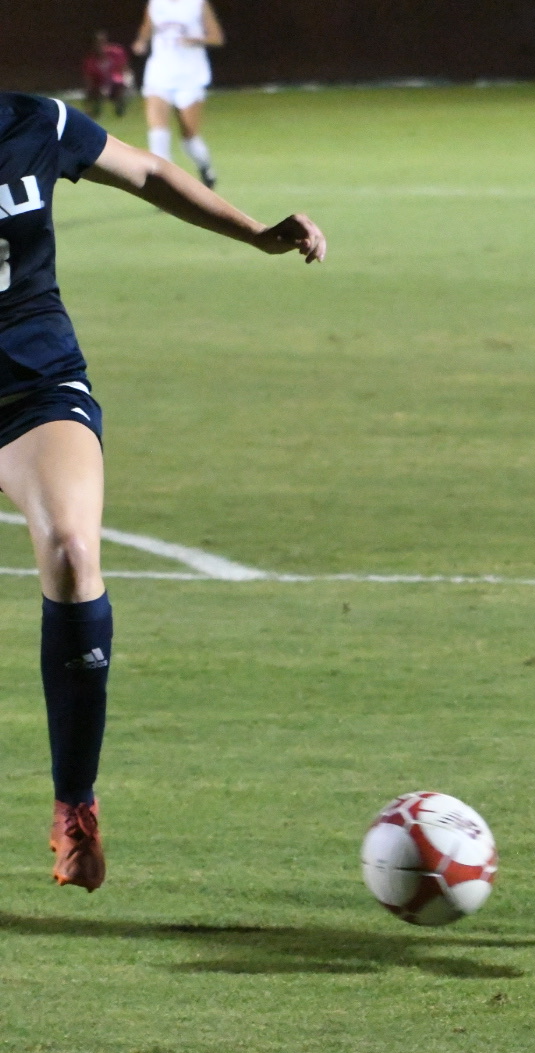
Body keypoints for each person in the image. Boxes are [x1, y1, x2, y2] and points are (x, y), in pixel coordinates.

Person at [0, 91, 325, 891]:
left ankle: (75, 804)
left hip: (31, 386)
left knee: (72, 551)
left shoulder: (31, 123)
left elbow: (146, 171)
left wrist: (255, 232)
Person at [131, 0, 223, 188]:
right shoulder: (156, 4)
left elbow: (217, 37)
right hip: (159, 75)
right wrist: (141, 42)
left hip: (190, 77)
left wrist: (195, 40)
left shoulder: (197, 4)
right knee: (158, 134)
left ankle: (205, 168)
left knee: (189, 138)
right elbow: (146, 30)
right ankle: (165, 186)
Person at [82, 32, 133, 121]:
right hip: (100, 85)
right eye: (98, 43)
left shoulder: (116, 52)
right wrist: (87, 102)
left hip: (116, 82)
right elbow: (89, 83)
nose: (100, 46)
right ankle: (96, 112)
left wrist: (128, 81)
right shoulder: (90, 62)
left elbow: (125, 69)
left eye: (103, 42)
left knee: (120, 85)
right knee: (97, 92)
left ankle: (120, 108)